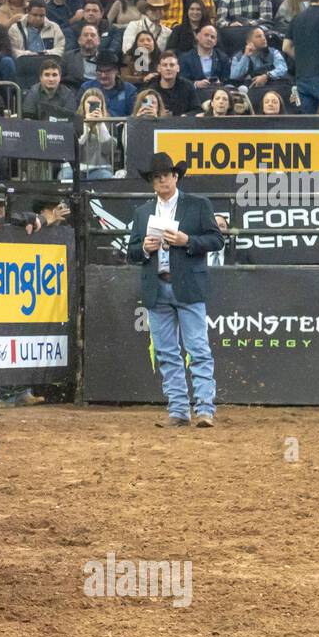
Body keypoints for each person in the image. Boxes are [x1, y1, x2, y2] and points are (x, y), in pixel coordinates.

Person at [125, 152, 224, 428]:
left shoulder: (198, 205)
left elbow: (217, 240)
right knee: (167, 352)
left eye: (165, 175)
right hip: (158, 288)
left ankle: (204, 408)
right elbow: (131, 252)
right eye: (156, 177)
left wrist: (187, 240)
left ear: (175, 177)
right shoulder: (142, 213)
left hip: (185, 286)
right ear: (152, 182)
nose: (162, 181)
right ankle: (180, 410)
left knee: (197, 349)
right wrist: (144, 248)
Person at [80, 50, 137, 116]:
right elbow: (78, 114)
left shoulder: (129, 90)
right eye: (100, 71)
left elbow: (134, 116)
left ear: (116, 70)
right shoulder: (86, 88)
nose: (103, 75)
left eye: (107, 71)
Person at [146, 51, 197, 115]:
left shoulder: (187, 86)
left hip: (182, 123)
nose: (168, 68)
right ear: (159, 68)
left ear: (178, 68)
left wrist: (185, 116)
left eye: (172, 65)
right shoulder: (151, 89)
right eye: (164, 65)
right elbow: (146, 110)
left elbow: (197, 110)